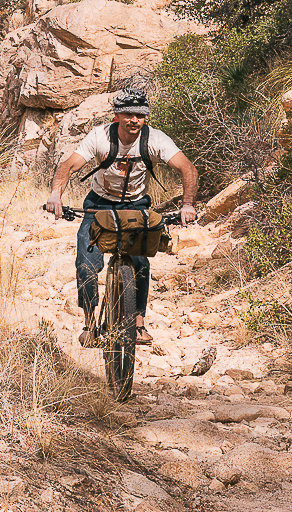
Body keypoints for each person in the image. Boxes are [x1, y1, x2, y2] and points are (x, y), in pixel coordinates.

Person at [42, 82, 199, 347]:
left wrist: (187, 204)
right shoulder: (100, 137)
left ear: (146, 116)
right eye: (128, 114)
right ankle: (90, 324)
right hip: (99, 204)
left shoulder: (155, 139)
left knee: (140, 261)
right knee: (86, 264)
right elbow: (67, 166)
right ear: (117, 115)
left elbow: (188, 169)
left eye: (140, 114)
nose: (134, 120)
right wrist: (55, 196)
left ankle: (138, 323)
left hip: (136, 205)